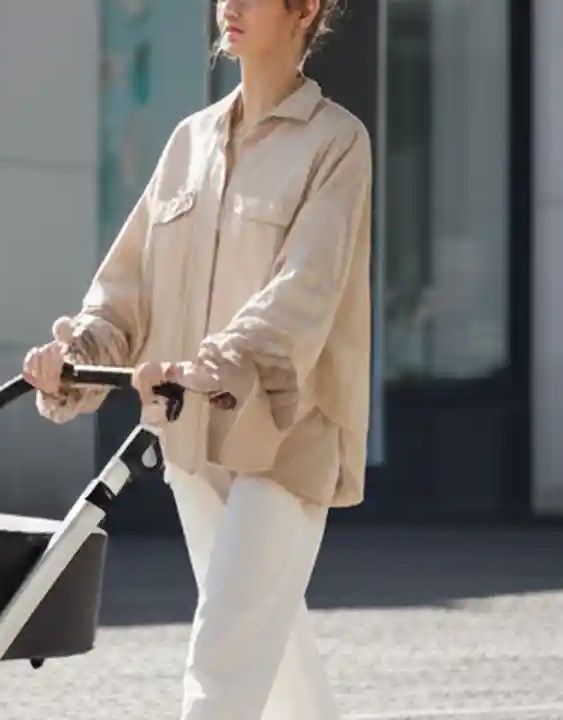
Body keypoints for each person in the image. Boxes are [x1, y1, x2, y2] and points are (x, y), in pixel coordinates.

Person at [24, 0, 368, 717]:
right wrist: (77, 355)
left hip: (286, 435)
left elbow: (304, 290)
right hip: (192, 442)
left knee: (224, 656)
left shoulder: (337, 144)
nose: (228, 7)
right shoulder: (190, 142)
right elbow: (128, 288)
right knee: (273, 658)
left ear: (305, 8)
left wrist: (215, 364)